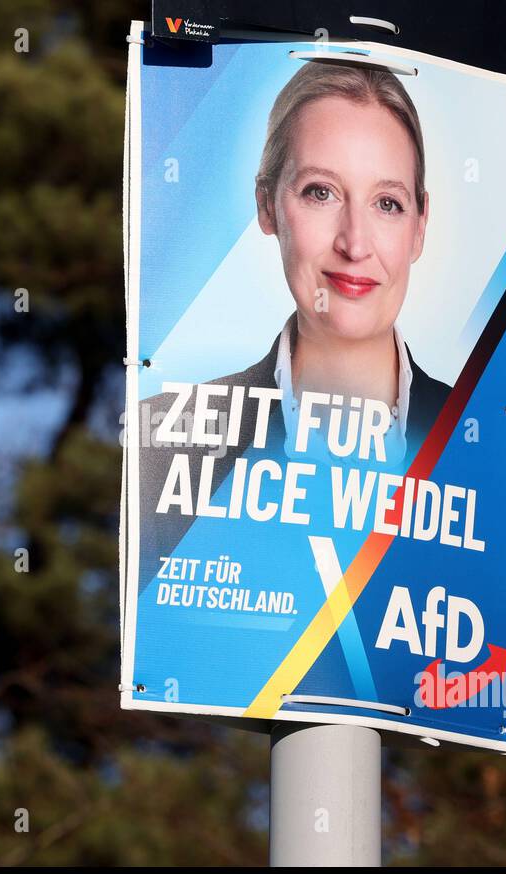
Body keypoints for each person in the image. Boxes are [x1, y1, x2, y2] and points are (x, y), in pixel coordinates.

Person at [139, 60, 450, 576]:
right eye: (320, 192)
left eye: (387, 203)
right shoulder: (174, 442)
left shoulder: (481, 442)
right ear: (267, 206)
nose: (354, 243)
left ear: (419, 227)